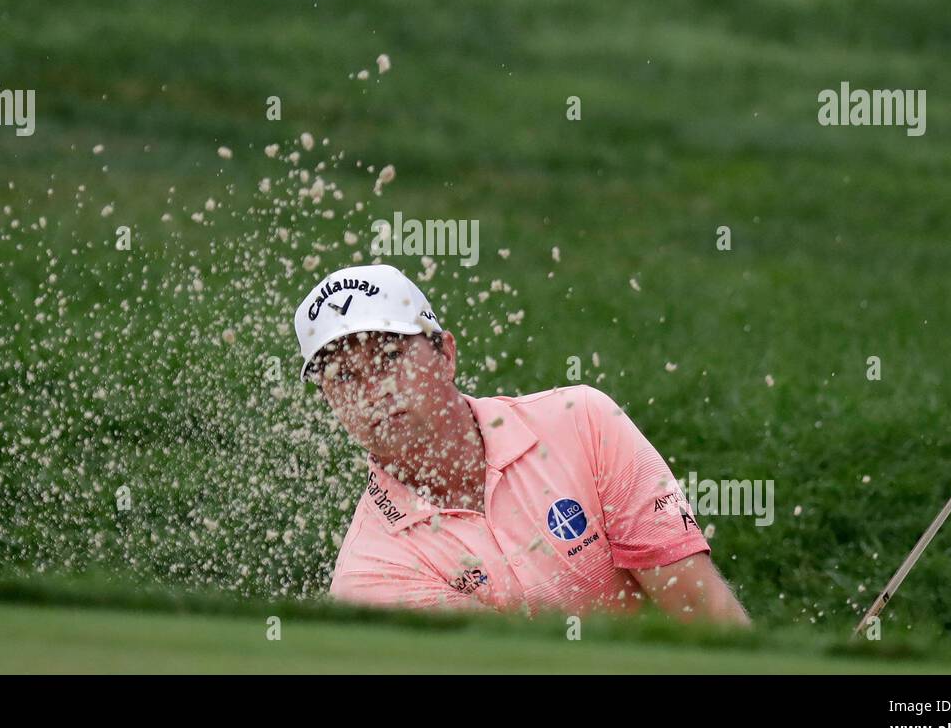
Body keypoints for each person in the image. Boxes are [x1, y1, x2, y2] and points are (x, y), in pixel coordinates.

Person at [294, 263, 750, 625]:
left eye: (391, 357)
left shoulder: (584, 422)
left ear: (446, 355)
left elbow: (704, 613)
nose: (374, 391)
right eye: (345, 376)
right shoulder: (370, 575)